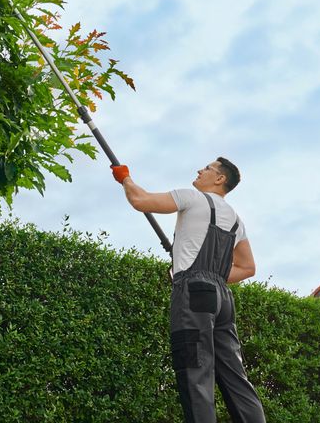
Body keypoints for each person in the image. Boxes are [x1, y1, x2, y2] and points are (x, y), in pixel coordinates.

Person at [111, 158, 266, 423]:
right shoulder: (236, 220)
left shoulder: (191, 198)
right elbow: (248, 267)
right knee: (235, 377)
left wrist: (124, 178)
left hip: (193, 293)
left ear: (219, 179)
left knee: (195, 373)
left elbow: (140, 200)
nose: (199, 170)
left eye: (207, 168)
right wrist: (210, 274)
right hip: (222, 299)